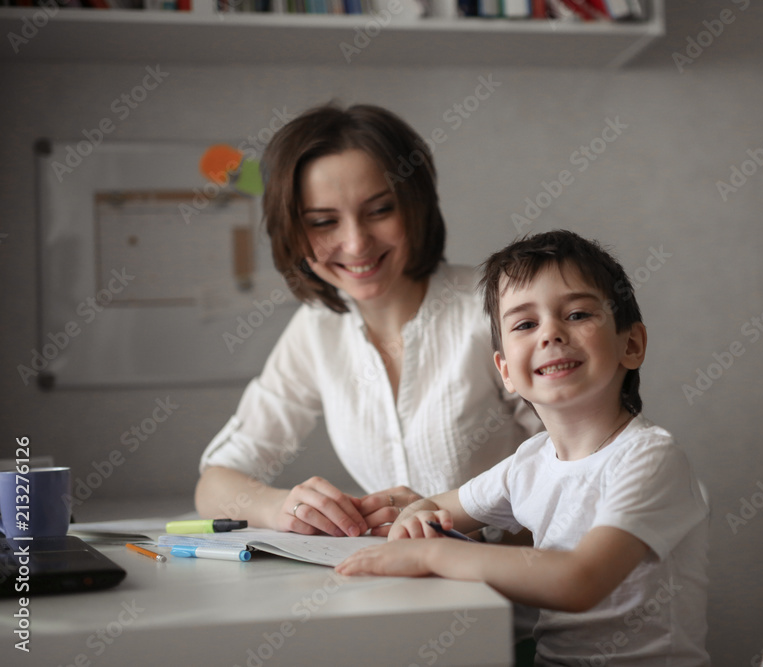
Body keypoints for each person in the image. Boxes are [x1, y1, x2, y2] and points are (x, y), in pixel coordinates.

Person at [336, 230, 711, 666]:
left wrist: (432, 552)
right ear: (506, 372)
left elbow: (579, 581)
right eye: (525, 324)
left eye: (576, 314)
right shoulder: (530, 461)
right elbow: (432, 506)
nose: (550, 333)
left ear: (631, 344)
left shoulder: (649, 458)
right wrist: (416, 523)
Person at [195, 102, 541, 538]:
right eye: (323, 221)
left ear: (417, 206)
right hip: (402, 583)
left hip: (522, 586)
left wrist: (442, 515)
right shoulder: (317, 327)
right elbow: (216, 481)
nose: (356, 243)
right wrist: (284, 507)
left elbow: (579, 461)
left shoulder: (497, 307)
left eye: (380, 211)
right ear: (291, 232)